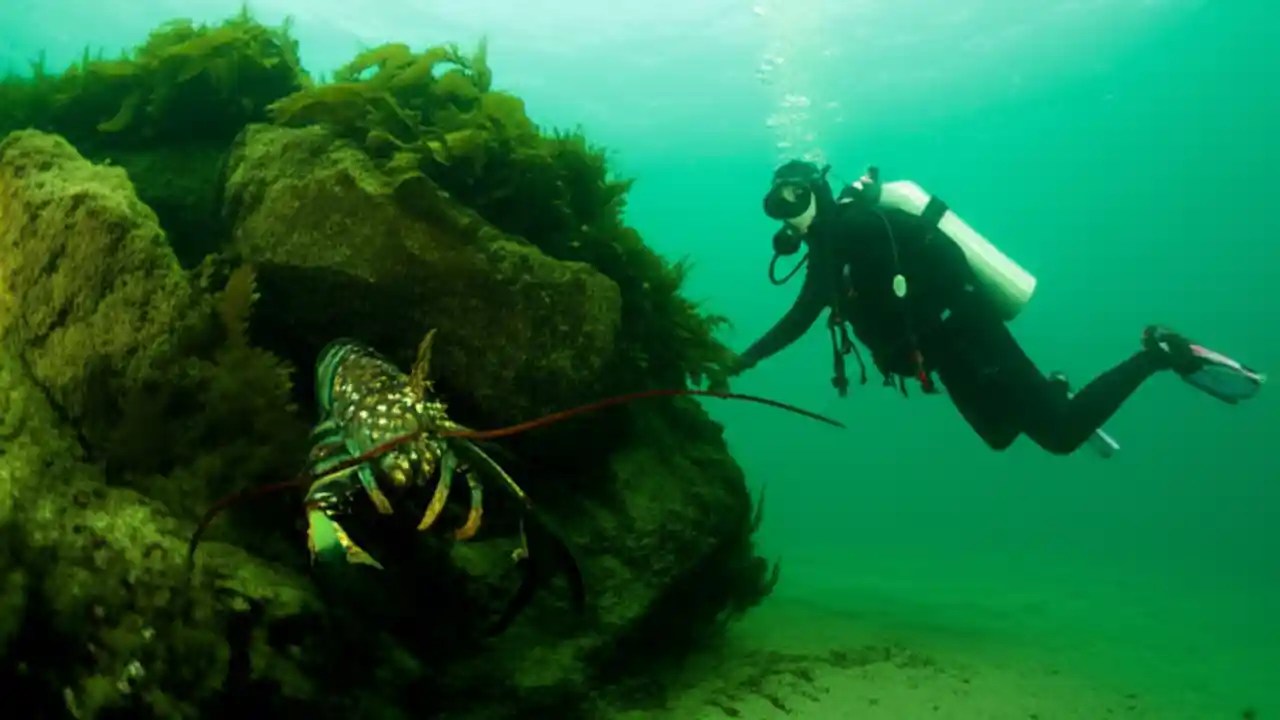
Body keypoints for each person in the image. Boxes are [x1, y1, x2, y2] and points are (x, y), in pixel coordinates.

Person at [727, 159, 1261, 455]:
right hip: (944, 351)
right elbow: (809, 311)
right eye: (778, 205)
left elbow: (802, 316)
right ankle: (1050, 388)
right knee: (999, 437)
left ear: (818, 192)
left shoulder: (852, 228)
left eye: (794, 199)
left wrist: (739, 360)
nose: (787, 214)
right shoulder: (831, 243)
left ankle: (1159, 353)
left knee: (1059, 435)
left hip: (965, 333)